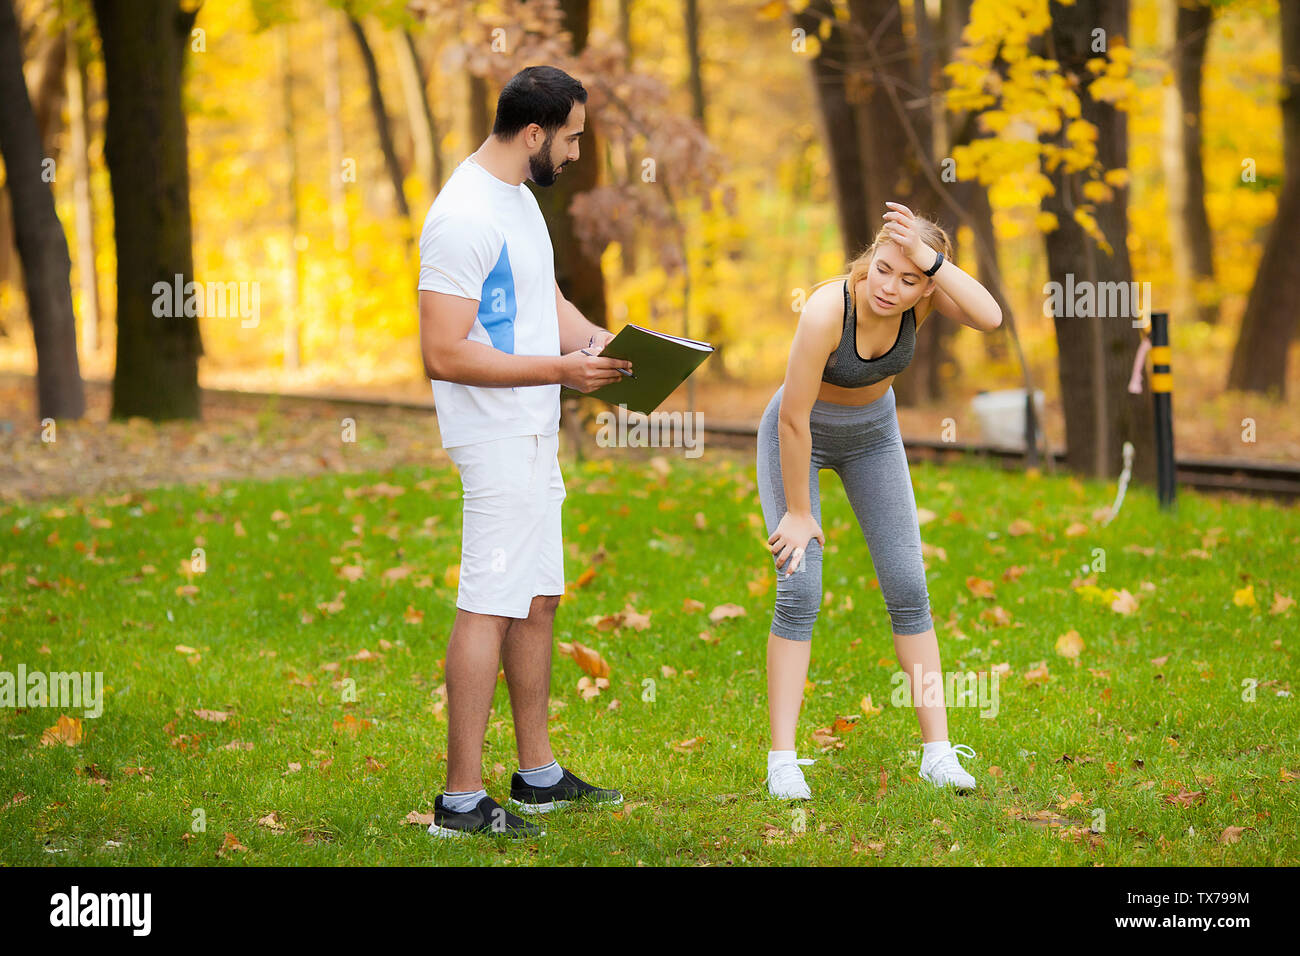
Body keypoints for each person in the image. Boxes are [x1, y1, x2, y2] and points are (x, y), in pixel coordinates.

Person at [416, 65, 632, 838]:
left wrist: (597, 344)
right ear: (535, 132)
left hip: (536, 425)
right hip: (495, 432)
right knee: (488, 603)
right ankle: (460, 801)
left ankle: (536, 775)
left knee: (538, 597)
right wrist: (561, 370)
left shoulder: (518, 201)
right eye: (571, 137)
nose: (576, 152)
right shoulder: (463, 214)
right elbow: (442, 351)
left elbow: (547, 303)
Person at [756, 202, 1003, 800]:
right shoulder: (825, 311)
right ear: (870, 257)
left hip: (873, 436)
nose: (891, 288)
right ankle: (782, 760)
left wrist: (933, 263)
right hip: (799, 436)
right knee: (801, 587)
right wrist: (798, 512)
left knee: (908, 586)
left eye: (910, 278)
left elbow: (990, 318)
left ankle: (938, 754)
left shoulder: (923, 296)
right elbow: (792, 416)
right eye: (884, 269)